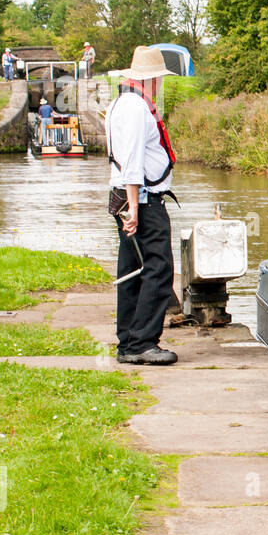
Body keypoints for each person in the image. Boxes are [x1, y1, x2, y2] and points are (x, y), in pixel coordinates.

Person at [106, 45, 179, 365]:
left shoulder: (119, 103)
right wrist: (135, 207)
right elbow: (132, 161)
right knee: (158, 270)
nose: (161, 84)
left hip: (126, 197)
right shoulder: (136, 107)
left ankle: (128, 342)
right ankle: (143, 342)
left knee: (133, 271)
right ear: (151, 80)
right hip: (144, 201)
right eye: (159, 79)